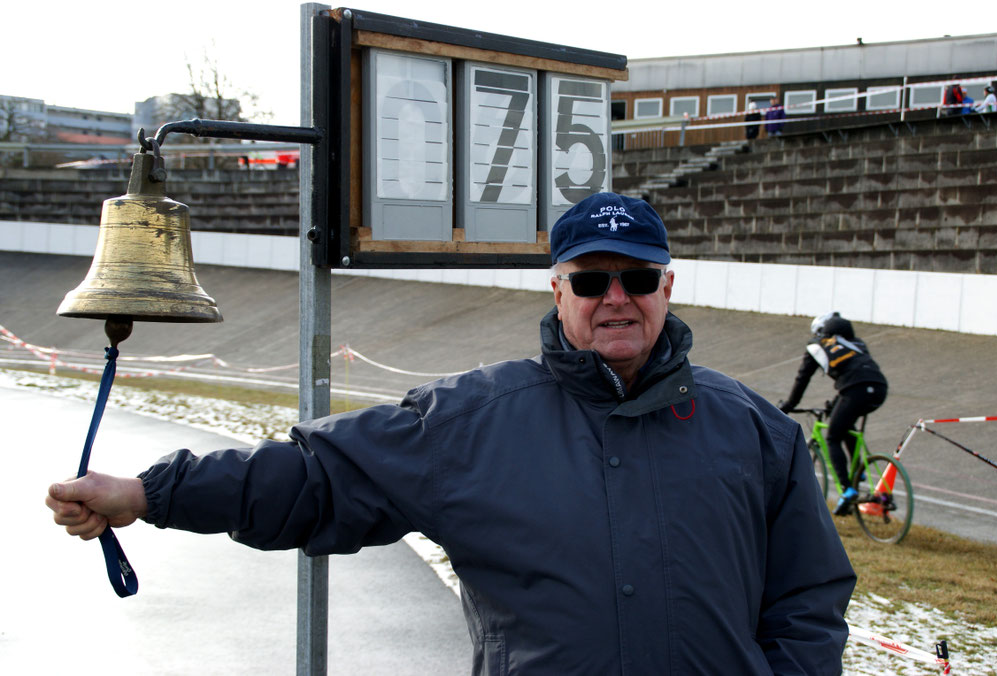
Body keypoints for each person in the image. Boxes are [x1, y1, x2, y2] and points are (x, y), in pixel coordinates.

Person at [47, 193, 855, 674]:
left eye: (637, 277)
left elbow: (808, 598)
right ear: (558, 290)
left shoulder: (755, 431)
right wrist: (149, 493)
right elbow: (317, 478)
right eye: (591, 280)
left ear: (667, 286)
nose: (616, 297)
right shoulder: (473, 421)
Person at [778, 312, 889, 516]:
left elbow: (802, 378)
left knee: (833, 437)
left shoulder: (816, 346)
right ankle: (858, 470)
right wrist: (835, 404)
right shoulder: (857, 344)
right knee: (845, 423)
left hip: (854, 390)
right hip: (879, 388)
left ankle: (847, 489)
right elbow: (859, 372)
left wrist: (789, 405)